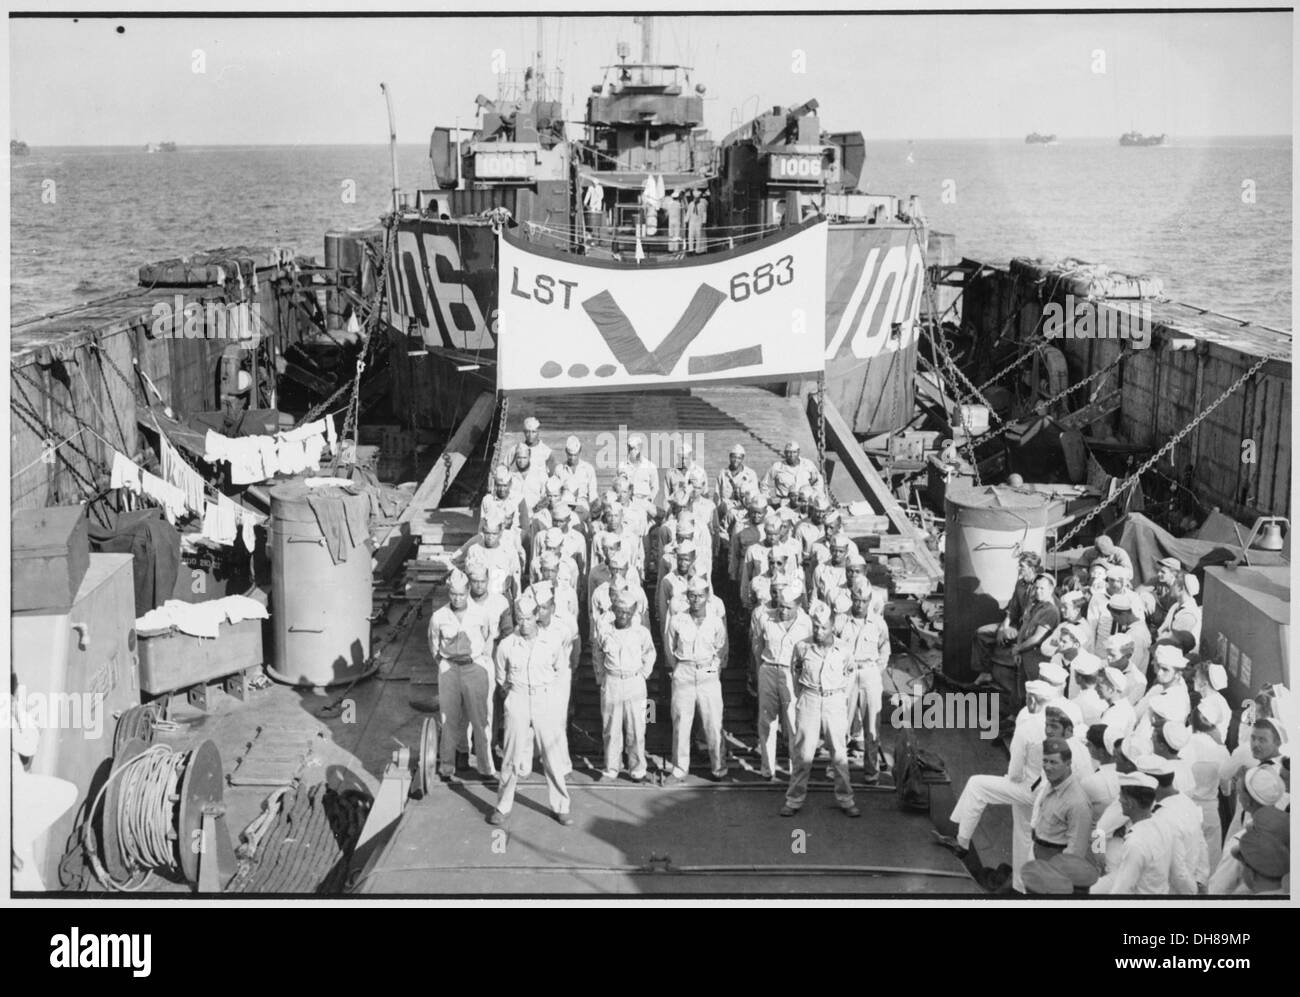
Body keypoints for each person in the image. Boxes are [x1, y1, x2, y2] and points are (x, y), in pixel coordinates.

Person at [935, 679, 1054, 892]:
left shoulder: (1028, 727)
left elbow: (1015, 773)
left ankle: (961, 843)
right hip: (1049, 790)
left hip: (1029, 788)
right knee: (1024, 832)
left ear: (1032, 700)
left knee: (976, 786)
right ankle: (1021, 886)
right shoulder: (1058, 718)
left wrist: (1010, 779)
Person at [489, 594, 572, 826]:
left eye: (528, 618)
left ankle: (561, 806)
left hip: (544, 697)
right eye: (519, 618)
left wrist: (547, 694)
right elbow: (501, 677)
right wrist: (514, 696)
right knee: (511, 756)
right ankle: (503, 806)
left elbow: (559, 669)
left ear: (537, 616)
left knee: (552, 755)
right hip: (518, 697)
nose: (523, 623)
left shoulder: (552, 642)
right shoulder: (506, 645)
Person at [781, 603, 860, 818]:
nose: (818, 632)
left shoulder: (844, 649)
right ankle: (794, 799)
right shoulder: (802, 647)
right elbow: (795, 671)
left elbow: (850, 676)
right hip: (810, 698)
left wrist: (841, 699)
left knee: (839, 753)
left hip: (834, 700)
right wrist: (804, 696)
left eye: (823, 627)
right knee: (803, 753)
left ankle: (846, 799)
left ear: (832, 626)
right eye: (815, 627)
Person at [431, 570, 496, 781]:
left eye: (461, 594)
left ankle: (486, 768)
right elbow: (434, 644)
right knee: (448, 719)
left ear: (468, 591)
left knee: (480, 720)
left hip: (473, 667)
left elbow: (487, 637)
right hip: (449, 668)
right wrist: (444, 663)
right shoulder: (439, 617)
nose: (457, 598)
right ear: (448, 593)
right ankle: (447, 767)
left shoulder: (480, 613)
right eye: (453, 594)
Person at [664, 576, 730, 781]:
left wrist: (712, 671)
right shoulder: (677, 619)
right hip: (684, 670)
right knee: (682, 722)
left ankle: (718, 768)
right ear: (687, 597)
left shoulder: (715, 622)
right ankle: (679, 769)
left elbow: (722, 650)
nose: (696, 600)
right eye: (692, 596)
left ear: (707, 596)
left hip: (707, 671)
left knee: (713, 723)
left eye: (700, 595)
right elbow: (669, 647)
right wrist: (678, 670)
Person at [591, 592, 656, 782]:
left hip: (635, 682)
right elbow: (598, 655)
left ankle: (637, 769)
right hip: (612, 682)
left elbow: (650, 654)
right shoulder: (605, 632)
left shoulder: (641, 632)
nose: (623, 616)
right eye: (620, 612)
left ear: (634, 612)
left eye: (627, 612)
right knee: (611, 728)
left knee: (637, 727)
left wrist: (644, 674)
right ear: (614, 610)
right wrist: (602, 677)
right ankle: (611, 768)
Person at [753, 586, 812, 781]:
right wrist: (759, 670)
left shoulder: (806, 624)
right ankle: (767, 769)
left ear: (798, 605)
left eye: (788, 607)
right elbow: (757, 647)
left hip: (792, 673)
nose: (783, 611)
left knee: (794, 723)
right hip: (769, 669)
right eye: (781, 606)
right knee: (766, 721)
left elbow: (808, 654)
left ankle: (795, 770)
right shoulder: (766, 618)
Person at [838, 579, 891, 784]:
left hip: (869, 673)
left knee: (871, 727)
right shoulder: (841, 621)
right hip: (847, 675)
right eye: (856, 600)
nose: (859, 604)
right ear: (851, 598)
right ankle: (838, 769)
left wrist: (876, 671)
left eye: (864, 601)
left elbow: (884, 650)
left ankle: (871, 772)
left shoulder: (878, 623)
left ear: (870, 600)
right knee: (841, 724)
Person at [1206, 767, 1288, 894]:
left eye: (1239, 793)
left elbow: (1218, 889)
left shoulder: (1242, 842)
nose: (1238, 798)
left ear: (1247, 801)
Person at [1090, 772, 1175, 894]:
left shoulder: (1135, 841)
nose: (1119, 800)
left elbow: (1100, 829)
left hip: (1121, 869)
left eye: (1121, 796)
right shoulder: (1161, 822)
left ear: (1129, 802)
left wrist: (1099, 862)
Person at [971, 551, 1040, 685]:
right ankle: (985, 672)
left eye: (1022, 566)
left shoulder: (1039, 587)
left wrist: (1015, 633)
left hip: (1028, 629)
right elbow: (1012, 609)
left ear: (1031, 568)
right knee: (981, 633)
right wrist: (1004, 627)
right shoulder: (1020, 584)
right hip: (1015, 624)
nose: (1018, 569)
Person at [1028, 737, 1093, 862]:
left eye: (1053, 762)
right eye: (1045, 761)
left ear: (1068, 763)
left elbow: (1076, 850)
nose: (1047, 767)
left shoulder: (1078, 803)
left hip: (1053, 864)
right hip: (1038, 850)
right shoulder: (1053, 781)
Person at [1011, 573, 1062, 699]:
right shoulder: (1034, 605)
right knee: (1022, 691)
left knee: (1036, 692)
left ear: (1051, 589)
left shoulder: (1051, 611)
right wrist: (1018, 649)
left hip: (1037, 657)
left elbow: (1036, 638)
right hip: (1025, 652)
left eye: (1042, 588)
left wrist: (1018, 649)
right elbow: (1024, 627)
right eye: (1036, 587)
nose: (1038, 591)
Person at [716, 443, 759, 532]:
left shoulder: (750, 474)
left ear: (743, 459)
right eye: (733, 457)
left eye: (739, 458)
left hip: (744, 509)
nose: (736, 460)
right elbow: (717, 495)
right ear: (729, 457)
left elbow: (755, 496)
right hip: (725, 510)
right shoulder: (723, 473)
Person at [1156, 576, 1202, 649]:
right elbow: (1164, 627)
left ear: (1180, 589)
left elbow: (1171, 640)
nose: (1171, 586)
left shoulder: (1188, 615)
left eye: (1174, 584)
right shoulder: (1178, 605)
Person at [553, 435, 599, 509]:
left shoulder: (588, 469)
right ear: (566, 452)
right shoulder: (559, 469)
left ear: (580, 451)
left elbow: (593, 493)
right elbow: (554, 491)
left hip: (582, 505)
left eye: (575, 455)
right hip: (564, 505)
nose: (572, 458)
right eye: (570, 455)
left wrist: (592, 510)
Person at [619, 434, 660, 509]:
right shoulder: (622, 466)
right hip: (628, 505)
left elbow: (655, 487)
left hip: (645, 504)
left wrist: (649, 500)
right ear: (628, 449)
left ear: (641, 448)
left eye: (637, 448)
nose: (634, 451)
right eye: (632, 449)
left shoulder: (650, 466)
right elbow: (619, 486)